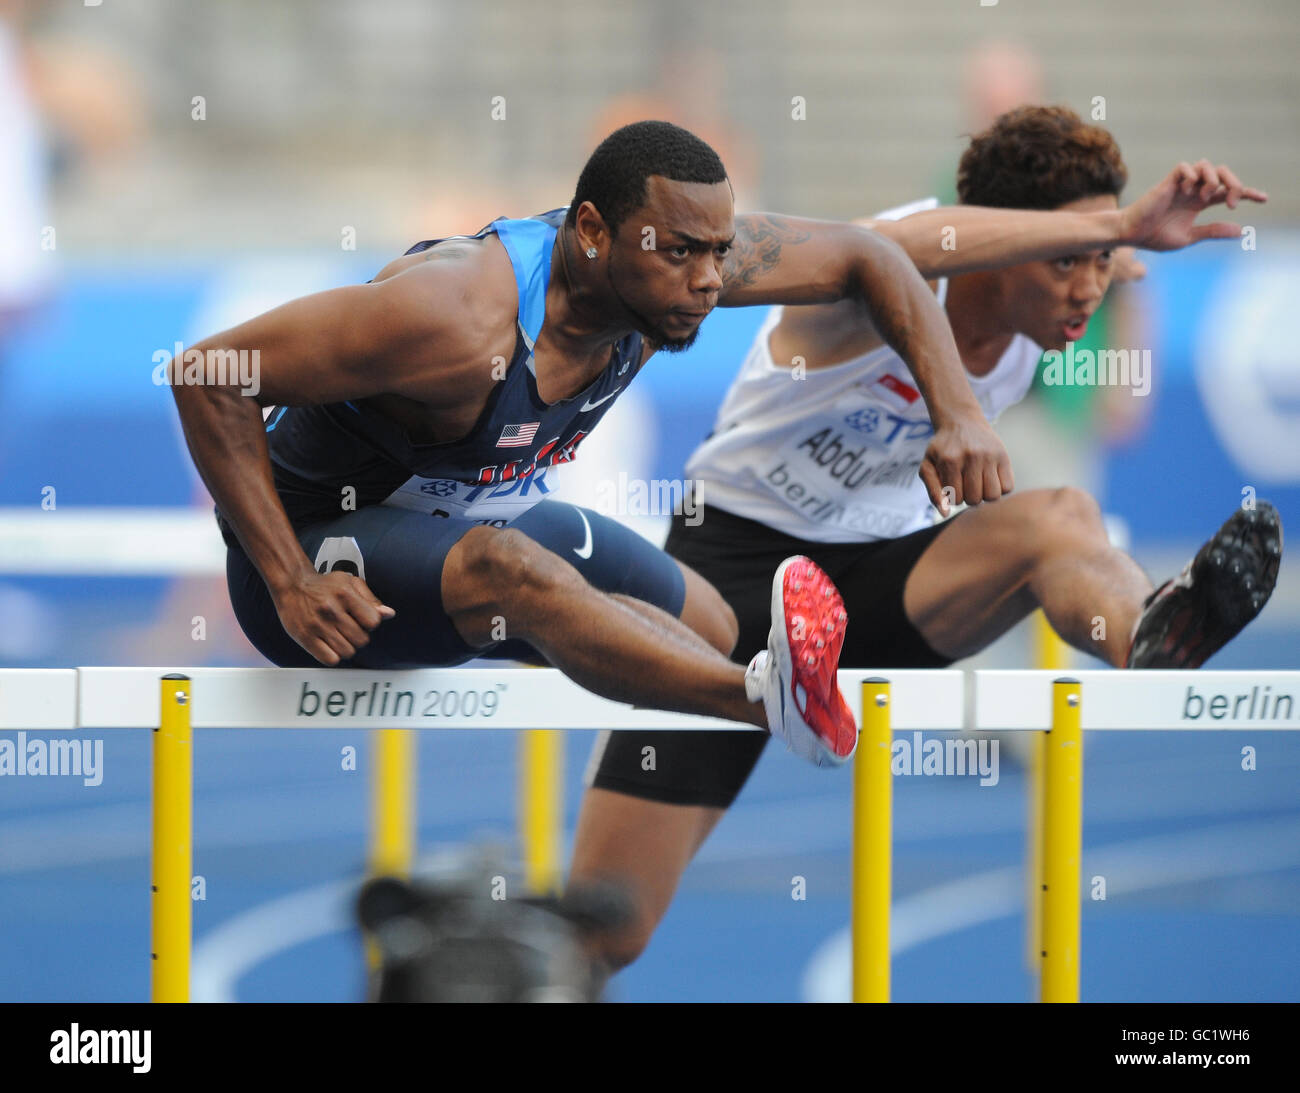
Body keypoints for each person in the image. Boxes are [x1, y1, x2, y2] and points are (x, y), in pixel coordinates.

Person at [573, 106, 1282, 969]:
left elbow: (1112, 284)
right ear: (999, 242)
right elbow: (891, 248)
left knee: (1061, 518)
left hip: (880, 588)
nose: (1088, 290)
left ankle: (1154, 631)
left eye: (1100, 262)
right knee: (609, 926)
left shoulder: (1043, 321)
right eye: (1067, 258)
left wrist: (1106, 247)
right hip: (731, 585)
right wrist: (1110, 229)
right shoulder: (869, 281)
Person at [167, 119, 1018, 770]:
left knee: (708, 620)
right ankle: (766, 703)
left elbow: (870, 254)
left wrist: (960, 413)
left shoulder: (667, 278)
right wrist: (287, 578)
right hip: (321, 566)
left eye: (719, 254)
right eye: (682, 254)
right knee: (512, 567)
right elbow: (205, 374)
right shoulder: (455, 316)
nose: (708, 282)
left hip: (464, 529)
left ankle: (740, 681)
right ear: (591, 231)